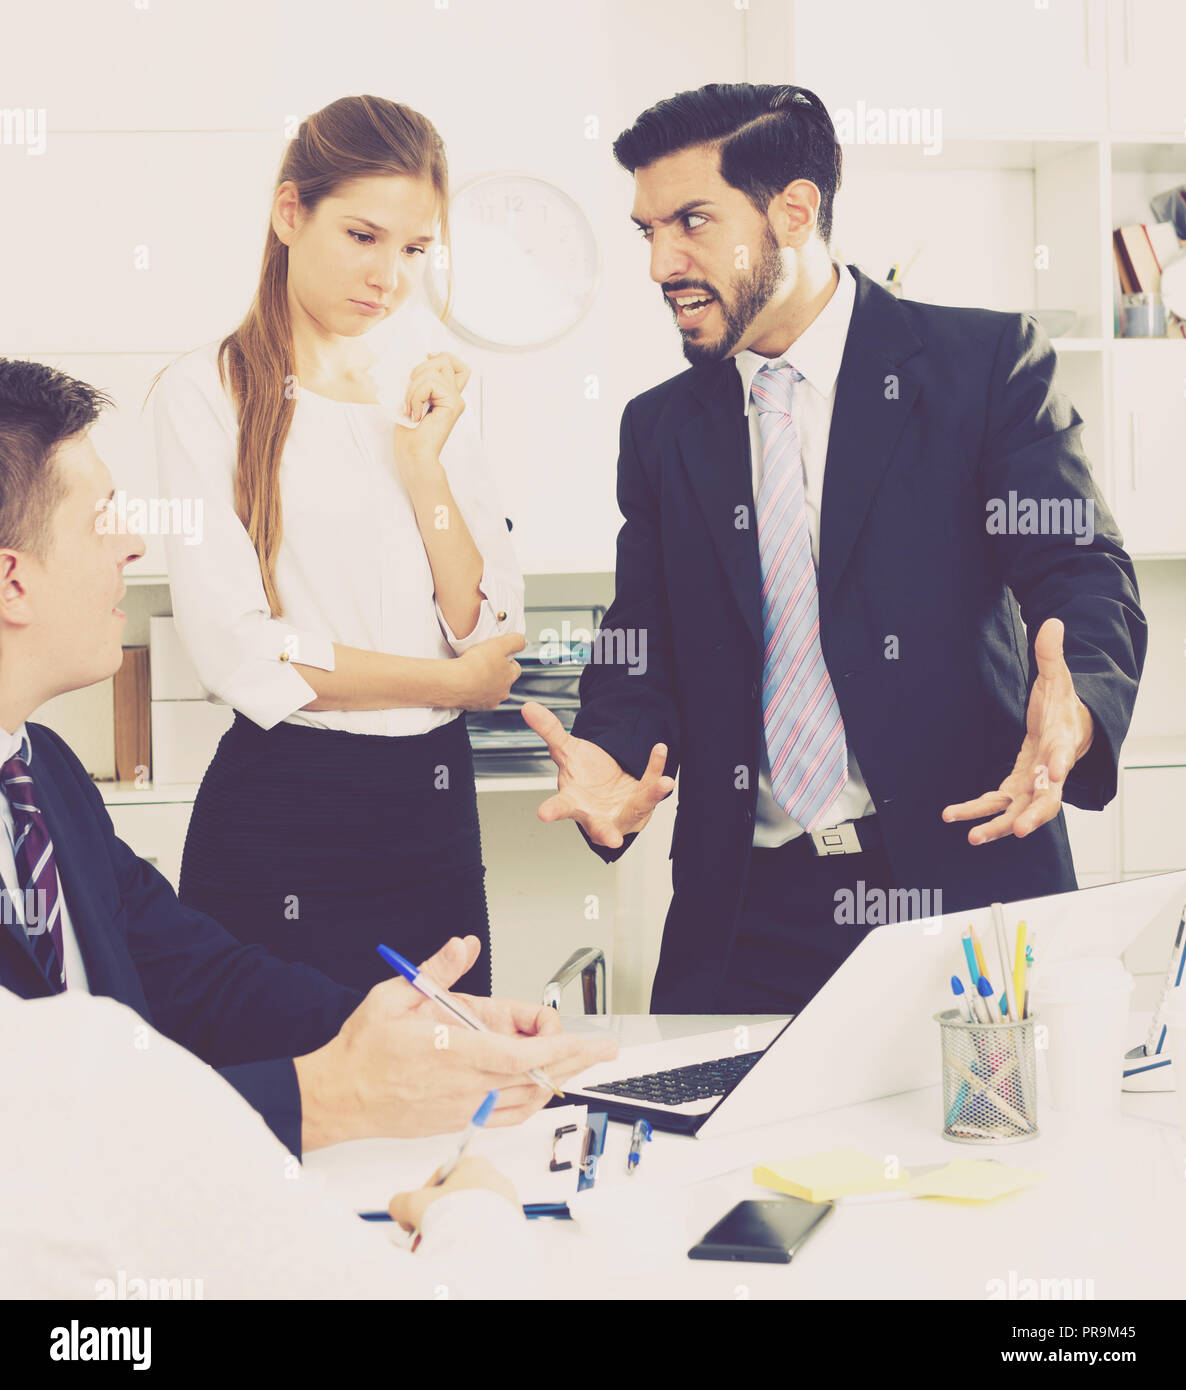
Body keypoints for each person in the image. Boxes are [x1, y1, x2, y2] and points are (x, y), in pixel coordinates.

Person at [522, 83, 1146, 1013]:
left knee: (984, 1158)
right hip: (745, 916)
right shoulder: (661, 429)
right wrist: (612, 754)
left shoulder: (980, 367)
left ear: (795, 208)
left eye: (692, 221)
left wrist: (1079, 709)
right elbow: (645, 637)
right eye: (646, 230)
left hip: (957, 892)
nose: (661, 261)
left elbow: (1078, 569)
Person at [0, 354, 616, 1156]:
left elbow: (196, 977)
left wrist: (426, 1030)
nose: (137, 547)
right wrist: (332, 1096)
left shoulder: (44, 776)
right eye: (103, 521)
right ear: (13, 582)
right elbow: (31, 1131)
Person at [153, 94, 526, 995]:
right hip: (286, 809)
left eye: (414, 249)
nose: (388, 278)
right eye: (363, 236)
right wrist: (446, 684)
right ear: (291, 213)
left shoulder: (427, 388)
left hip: (433, 808)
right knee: (290, 1107)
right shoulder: (205, 394)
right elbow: (243, 651)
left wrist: (422, 464)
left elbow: (488, 628)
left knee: (447, 1089)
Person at [0, 983, 542, 1301]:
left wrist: (390, 1035)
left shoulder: (54, 791)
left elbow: (196, 969)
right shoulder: (71, 1069)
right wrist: (479, 1210)